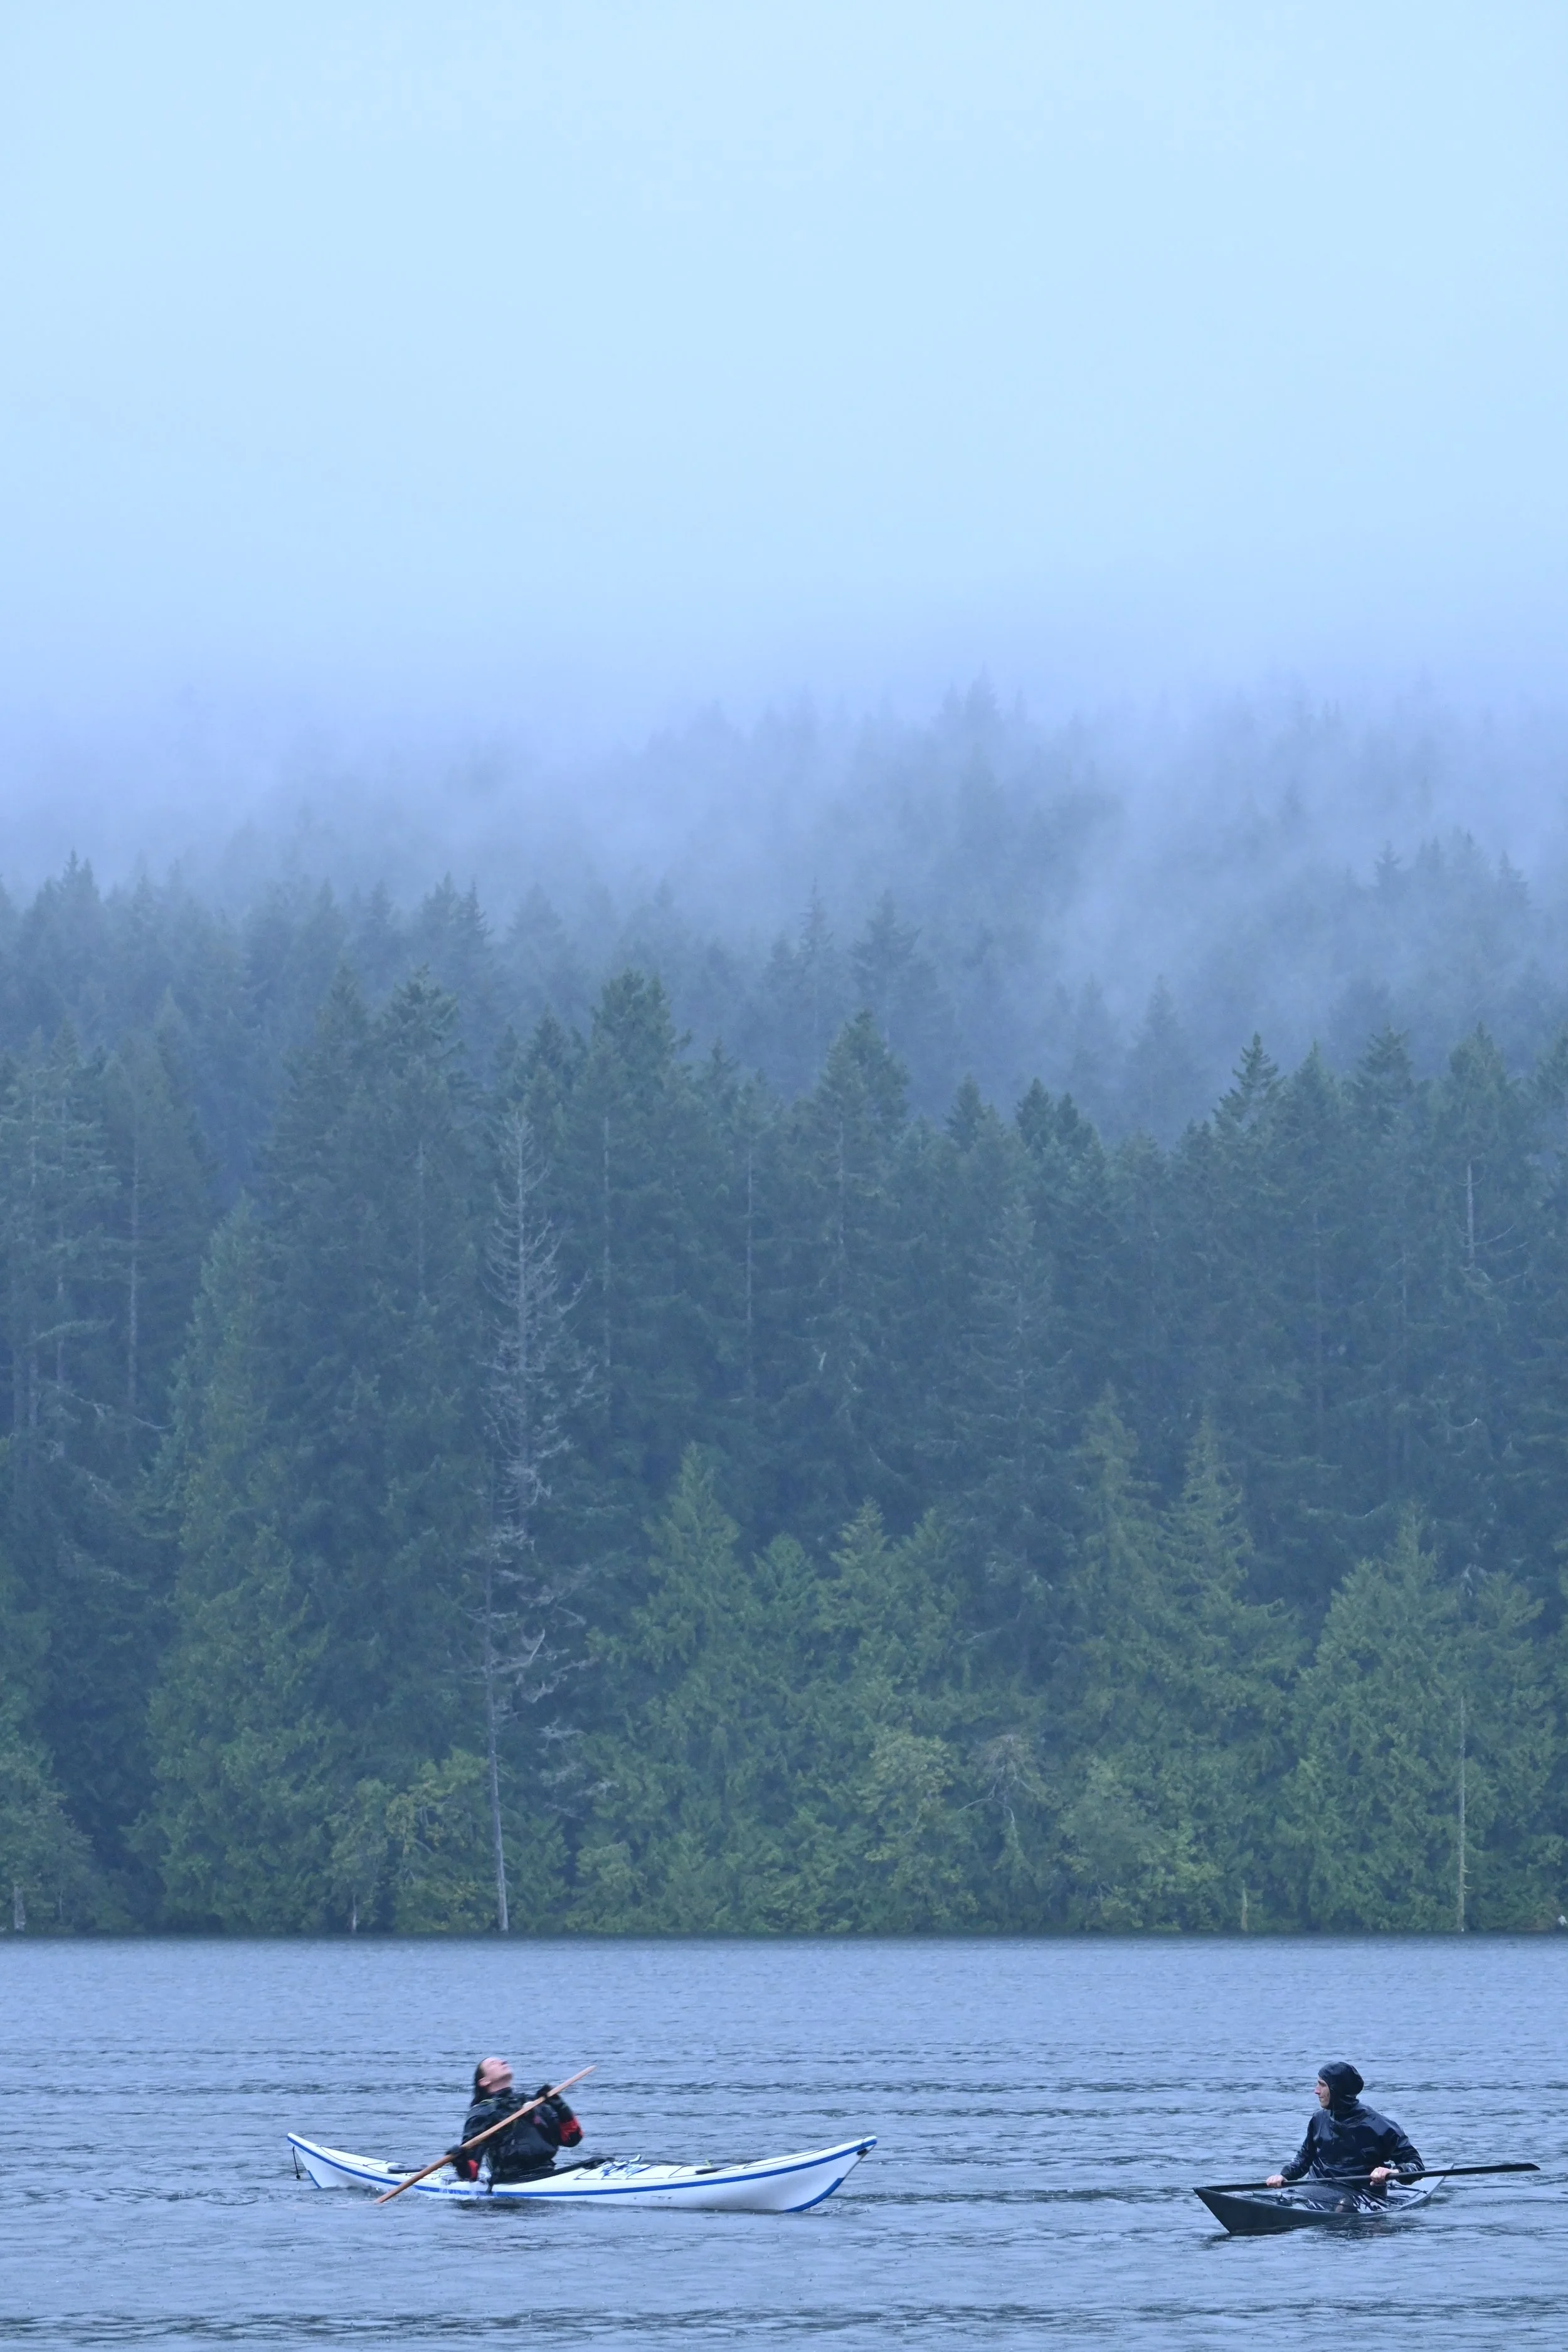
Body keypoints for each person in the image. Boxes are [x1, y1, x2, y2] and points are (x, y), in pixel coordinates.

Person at [1265, 2062, 1423, 2195]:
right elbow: (1304, 2158)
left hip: (1361, 2194)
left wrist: (1393, 2172)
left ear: (1337, 2090)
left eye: (1322, 2085)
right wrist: (1283, 2176)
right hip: (1316, 2190)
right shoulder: (1318, 2119)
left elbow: (1416, 2165)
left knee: (1342, 2207)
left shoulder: (1379, 2126)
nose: (1316, 2091)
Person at [449, 2057, 585, 2183]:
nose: (502, 2062)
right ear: (484, 2081)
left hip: (547, 2172)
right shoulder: (482, 2112)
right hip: (510, 2180)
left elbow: (572, 2138)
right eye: (493, 2063)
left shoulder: (534, 2102)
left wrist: (560, 2106)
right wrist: (460, 2160)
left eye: (501, 2060)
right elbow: (471, 2174)